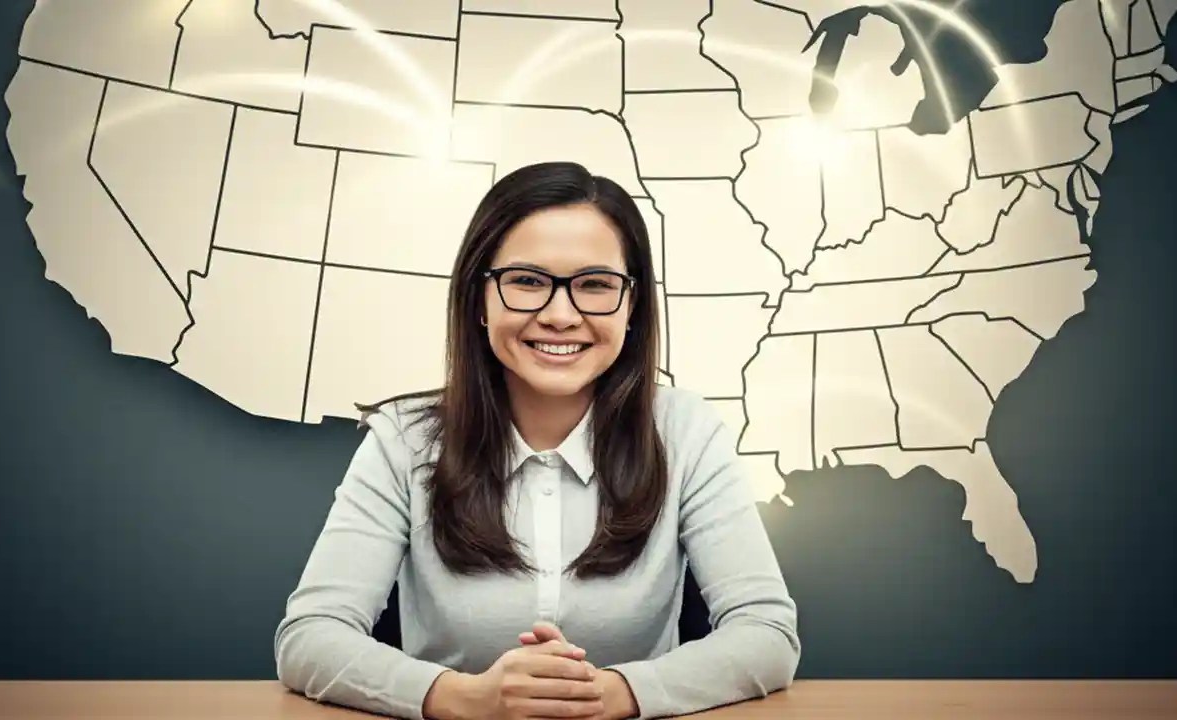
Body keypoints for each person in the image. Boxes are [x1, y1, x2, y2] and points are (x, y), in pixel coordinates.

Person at [273, 161, 801, 719]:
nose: (560, 315)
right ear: (480, 297)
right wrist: (464, 698)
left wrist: (612, 694)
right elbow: (311, 637)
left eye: (595, 285)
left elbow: (766, 634)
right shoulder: (403, 440)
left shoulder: (687, 432)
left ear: (632, 305)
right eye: (527, 281)